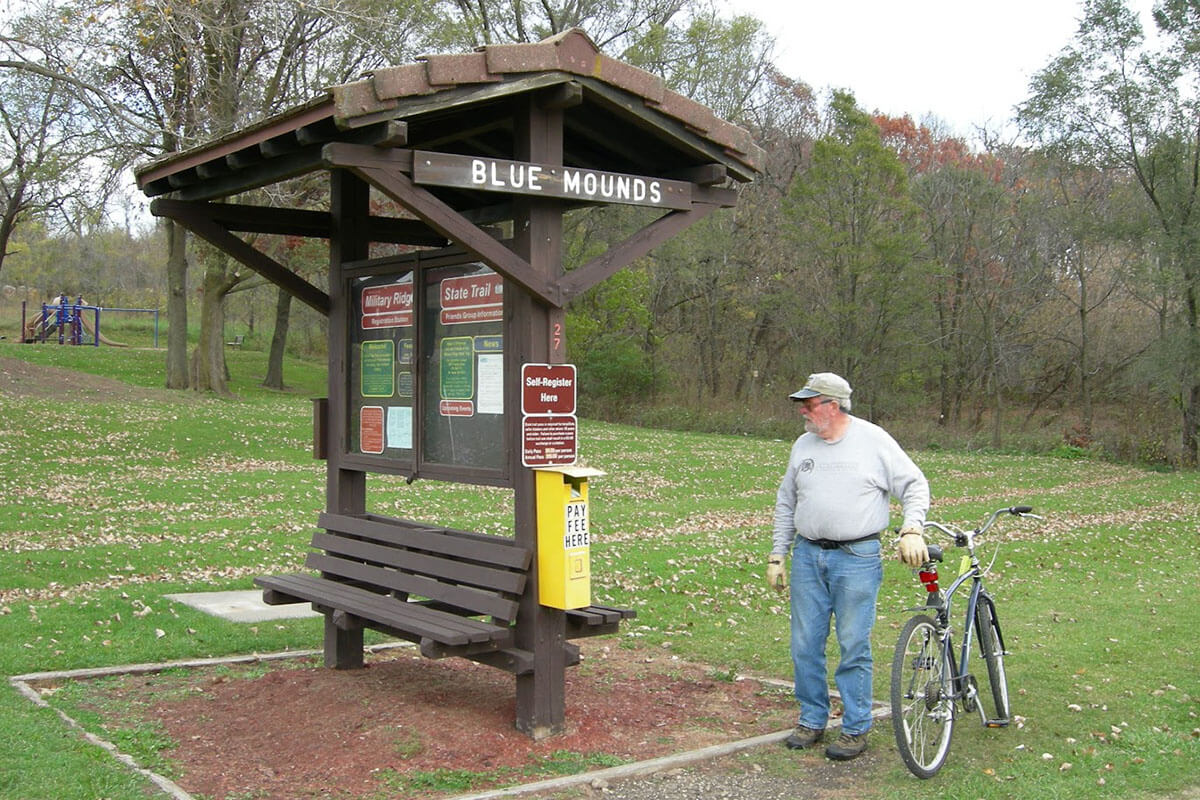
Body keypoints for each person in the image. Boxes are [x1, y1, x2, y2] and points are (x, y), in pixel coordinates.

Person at [767, 372, 931, 761]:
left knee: (853, 644)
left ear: (833, 405)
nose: (802, 412)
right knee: (804, 643)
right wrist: (778, 554)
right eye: (802, 405)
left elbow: (915, 485)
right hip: (808, 556)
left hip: (857, 558)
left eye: (809, 404)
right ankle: (812, 719)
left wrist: (912, 528)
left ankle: (855, 728)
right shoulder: (803, 446)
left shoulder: (873, 441)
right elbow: (786, 503)